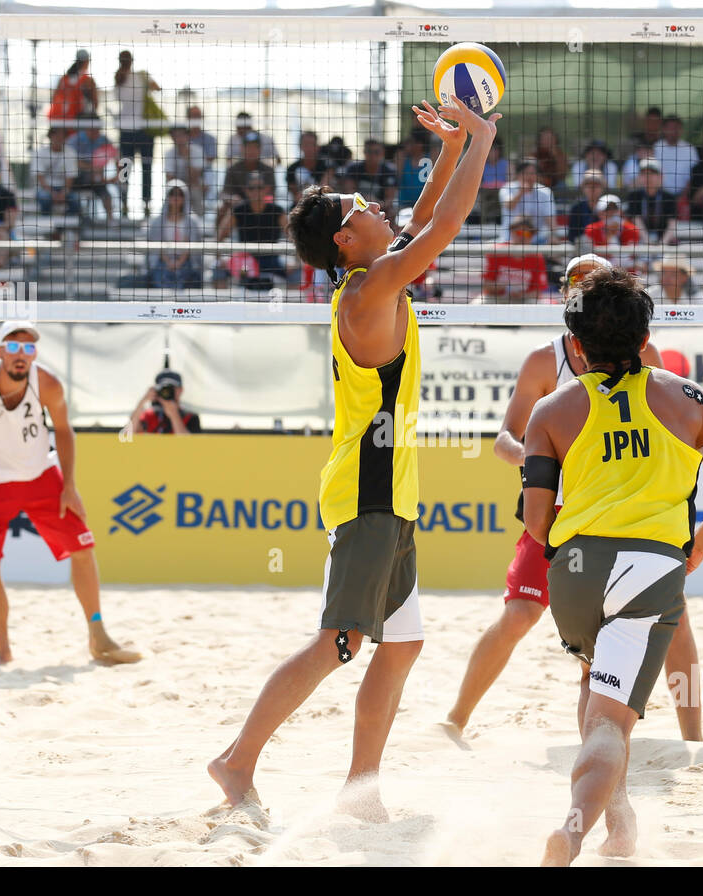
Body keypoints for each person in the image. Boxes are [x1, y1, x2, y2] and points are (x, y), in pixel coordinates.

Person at [208, 97, 499, 819]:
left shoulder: (373, 278)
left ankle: (359, 789)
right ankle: (236, 761)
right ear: (344, 239)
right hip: (366, 494)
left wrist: (454, 145)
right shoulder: (368, 294)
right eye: (362, 204)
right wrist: (483, 142)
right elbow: (446, 227)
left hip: (390, 493)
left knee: (401, 646)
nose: (377, 207)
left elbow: (424, 219)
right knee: (340, 643)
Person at [524, 267, 703, 866]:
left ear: (576, 346)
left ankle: (618, 823)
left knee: (595, 684)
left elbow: (535, 525)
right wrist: (697, 546)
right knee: (609, 722)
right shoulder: (690, 400)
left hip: (572, 570)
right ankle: (572, 832)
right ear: (645, 333)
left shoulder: (550, 410)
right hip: (649, 569)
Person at [444, 253, 703, 742]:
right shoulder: (545, 360)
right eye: (577, 284)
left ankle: (693, 738)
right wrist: (541, 461)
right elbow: (504, 438)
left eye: (594, 284)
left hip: (623, 506)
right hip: (559, 507)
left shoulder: (644, 355)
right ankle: (456, 718)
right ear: (566, 295)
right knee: (520, 613)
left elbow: (663, 429)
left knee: (677, 621)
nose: (584, 291)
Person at [0, 320, 142, 667]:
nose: (22, 355)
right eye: (14, 347)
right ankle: (4, 652)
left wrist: (69, 486)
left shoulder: (46, 382)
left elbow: (64, 430)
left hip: (40, 476)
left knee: (83, 548)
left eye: (29, 348)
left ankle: (98, 635)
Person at [215, 170, 288, 289]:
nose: (256, 191)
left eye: (259, 187)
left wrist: (295, 262)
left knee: (296, 271)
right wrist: (221, 259)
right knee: (217, 271)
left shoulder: (277, 211)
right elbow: (220, 236)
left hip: (271, 260)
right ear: (245, 190)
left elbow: (294, 236)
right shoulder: (238, 210)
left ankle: (293, 307)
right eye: (251, 188)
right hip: (245, 259)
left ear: (267, 189)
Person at [113, 50, 161, 217]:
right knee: (142, 168)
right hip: (140, 130)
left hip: (131, 130)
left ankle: (126, 203)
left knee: (126, 168)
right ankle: (143, 203)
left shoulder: (120, 78)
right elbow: (158, 88)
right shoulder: (138, 77)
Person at [472, 218, 548, 304]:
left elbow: (537, 292)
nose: (522, 237)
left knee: (540, 305)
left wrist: (521, 295)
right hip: (496, 298)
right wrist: (503, 287)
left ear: (532, 236)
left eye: (527, 234)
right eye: (519, 232)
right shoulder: (497, 251)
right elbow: (487, 286)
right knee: (477, 303)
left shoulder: (537, 257)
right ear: (511, 232)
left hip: (522, 300)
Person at [146, 180, 202, 290]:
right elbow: (157, 246)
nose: (176, 198)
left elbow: (190, 245)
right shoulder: (157, 222)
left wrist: (179, 263)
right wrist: (169, 262)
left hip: (186, 262)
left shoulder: (192, 221)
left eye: (180, 194)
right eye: (172, 194)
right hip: (163, 262)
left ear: (184, 197)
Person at [499, 158, 556, 243]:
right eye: (526, 173)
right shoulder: (507, 188)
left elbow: (550, 219)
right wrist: (520, 193)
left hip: (536, 240)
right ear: (518, 174)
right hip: (510, 239)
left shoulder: (545, 192)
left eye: (533, 173)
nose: (529, 176)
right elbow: (509, 206)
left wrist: (554, 235)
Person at [70, 122, 118, 221]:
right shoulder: (75, 140)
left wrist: (117, 175)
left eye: (97, 130)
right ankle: (80, 218)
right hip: (76, 178)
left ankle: (111, 220)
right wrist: (92, 168)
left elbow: (117, 157)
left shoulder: (103, 140)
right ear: (87, 129)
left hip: (97, 179)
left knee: (106, 194)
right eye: (93, 130)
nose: (96, 132)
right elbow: (71, 161)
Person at [127, 369, 201, 434]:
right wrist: (143, 401)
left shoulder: (191, 417)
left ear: (180, 390)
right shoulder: (148, 416)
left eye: (171, 388)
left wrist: (174, 416)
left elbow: (190, 445)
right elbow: (127, 437)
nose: (166, 392)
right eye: (163, 388)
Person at [624, 159, 678, 244]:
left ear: (660, 176)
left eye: (652, 173)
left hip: (664, 241)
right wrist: (648, 243)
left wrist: (663, 244)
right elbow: (636, 219)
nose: (648, 177)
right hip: (639, 241)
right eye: (644, 173)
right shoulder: (634, 196)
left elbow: (672, 223)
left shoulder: (669, 197)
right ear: (639, 176)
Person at [31, 125, 79, 215]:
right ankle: (46, 225)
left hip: (63, 188)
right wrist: (52, 193)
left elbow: (70, 177)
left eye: (62, 136)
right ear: (50, 136)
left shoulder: (70, 153)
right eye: (56, 135)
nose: (59, 138)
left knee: (76, 200)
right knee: (45, 198)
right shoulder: (40, 153)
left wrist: (63, 193)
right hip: (44, 189)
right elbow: (40, 178)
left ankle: (67, 226)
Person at [340, 138, 398, 212]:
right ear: (364, 152)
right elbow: (348, 193)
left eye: (376, 152)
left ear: (382, 153)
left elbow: (389, 200)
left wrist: (374, 205)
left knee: (391, 212)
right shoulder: (353, 168)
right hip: (357, 208)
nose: (372, 156)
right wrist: (363, 203)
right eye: (369, 152)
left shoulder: (389, 170)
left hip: (380, 209)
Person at [221, 131, 277, 206]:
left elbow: (271, 195)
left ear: (260, 149)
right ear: (241, 148)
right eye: (248, 147)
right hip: (237, 208)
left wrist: (259, 200)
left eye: (255, 147)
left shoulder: (268, 170)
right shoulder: (233, 169)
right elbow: (225, 193)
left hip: (262, 207)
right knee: (222, 209)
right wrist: (232, 198)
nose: (251, 151)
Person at [163, 125, 205, 216]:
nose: (179, 139)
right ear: (172, 138)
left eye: (181, 135)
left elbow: (195, 177)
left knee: (195, 191)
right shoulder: (169, 153)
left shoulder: (197, 151)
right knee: (172, 193)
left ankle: (199, 219)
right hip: (176, 187)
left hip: (194, 185)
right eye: (176, 136)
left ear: (188, 136)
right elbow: (169, 178)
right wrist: (180, 188)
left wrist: (186, 157)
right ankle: (169, 217)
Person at [48, 49, 98, 123]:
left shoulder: (63, 79)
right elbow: (95, 103)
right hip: (77, 120)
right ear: (87, 61)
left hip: (58, 119)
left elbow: (53, 98)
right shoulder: (88, 80)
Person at [654, 115, 699, 197]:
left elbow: (695, 175)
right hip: (661, 195)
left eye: (677, 127)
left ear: (681, 129)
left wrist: (684, 196)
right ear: (664, 129)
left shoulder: (690, 149)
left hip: (685, 196)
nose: (674, 131)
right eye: (670, 128)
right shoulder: (656, 147)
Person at [286, 130, 333, 207]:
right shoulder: (292, 168)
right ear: (300, 146)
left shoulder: (327, 166)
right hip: (300, 207)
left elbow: (325, 190)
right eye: (306, 144)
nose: (309, 148)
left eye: (312, 144)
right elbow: (296, 197)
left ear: (318, 146)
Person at [566, 169, 607, 244]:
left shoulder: (610, 207)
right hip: (582, 249)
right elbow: (572, 237)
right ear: (583, 187)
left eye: (596, 184)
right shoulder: (576, 208)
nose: (592, 187)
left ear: (603, 187)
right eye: (588, 184)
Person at [532, 126, 569, 194]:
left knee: (562, 185)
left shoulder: (561, 155)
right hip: (539, 183)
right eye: (545, 138)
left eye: (550, 138)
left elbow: (562, 175)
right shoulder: (535, 155)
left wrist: (554, 154)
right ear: (539, 140)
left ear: (555, 139)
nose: (548, 140)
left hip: (556, 185)